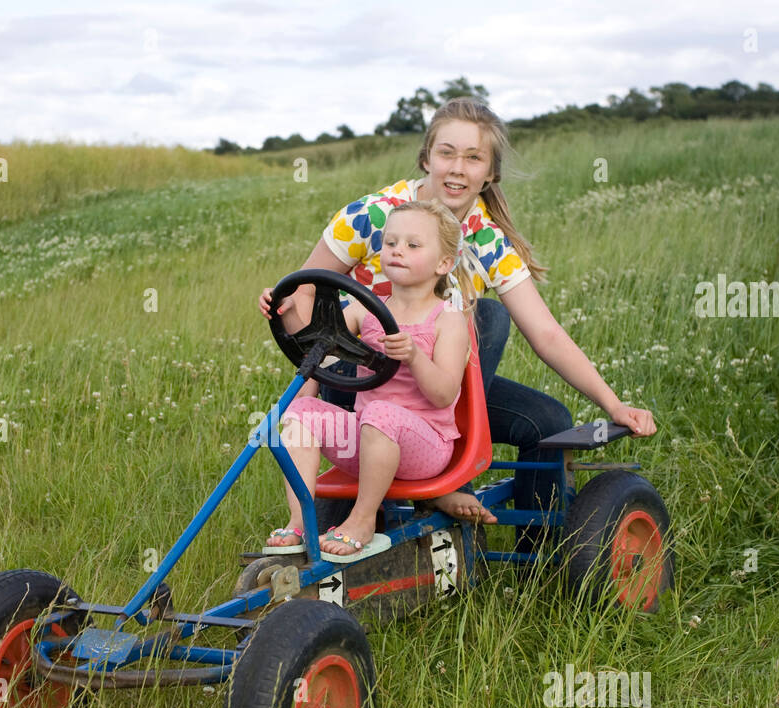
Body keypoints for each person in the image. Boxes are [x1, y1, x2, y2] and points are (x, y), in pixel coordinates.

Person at [270, 97, 656, 542]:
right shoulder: (373, 216)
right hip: (359, 380)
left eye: (473, 157)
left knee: (545, 415)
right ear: (426, 158)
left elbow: (545, 332)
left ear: (489, 172)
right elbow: (304, 290)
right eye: (447, 153)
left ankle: (542, 564)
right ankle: (426, 488)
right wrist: (282, 309)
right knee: (483, 318)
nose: (457, 168)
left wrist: (613, 404)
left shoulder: (486, 238)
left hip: (434, 388)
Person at [257, 200, 472, 560]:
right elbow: (317, 349)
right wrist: (287, 312)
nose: (397, 251)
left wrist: (414, 356)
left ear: (443, 264)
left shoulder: (447, 319)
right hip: (367, 442)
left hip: (426, 448)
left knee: (381, 413)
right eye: (390, 243)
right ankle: (299, 520)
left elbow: (443, 394)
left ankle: (362, 518)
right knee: (302, 409)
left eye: (412, 245)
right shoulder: (365, 308)